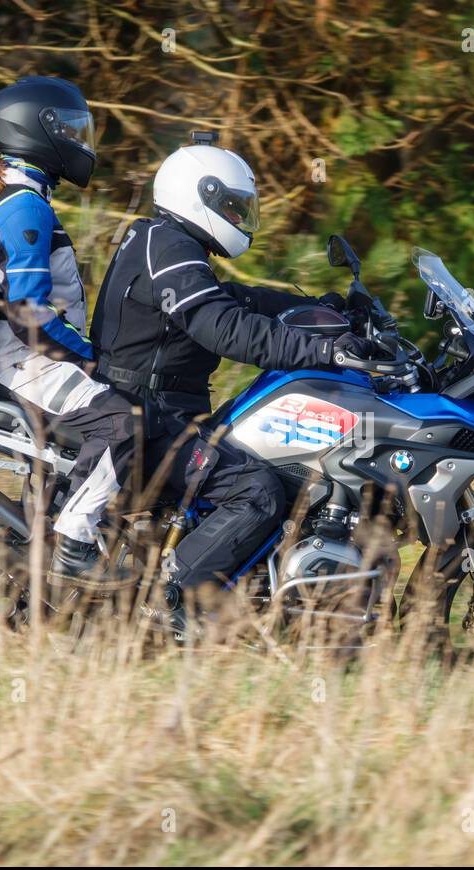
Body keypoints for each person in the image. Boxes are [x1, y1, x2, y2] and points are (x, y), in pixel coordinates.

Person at [89, 133, 373, 623]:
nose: (241, 218)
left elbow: (233, 300)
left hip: (157, 410)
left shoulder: (166, 243)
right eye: (234, 207)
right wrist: (325, 352)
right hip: (145, 417)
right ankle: (170, 600)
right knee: (257, 491)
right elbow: (223, 328)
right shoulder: (169, 245)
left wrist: (318, 308)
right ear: (200, 196)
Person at [0, 76, 132, 585]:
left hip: (14, 362)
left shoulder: (9, 197)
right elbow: (29, 315)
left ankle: (44, 557)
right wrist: (94, 358)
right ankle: (73, 541)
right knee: (123, 422)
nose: (80, 142)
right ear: (38, 132)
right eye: (72, 130)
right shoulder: (24, 206)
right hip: (24, 364)